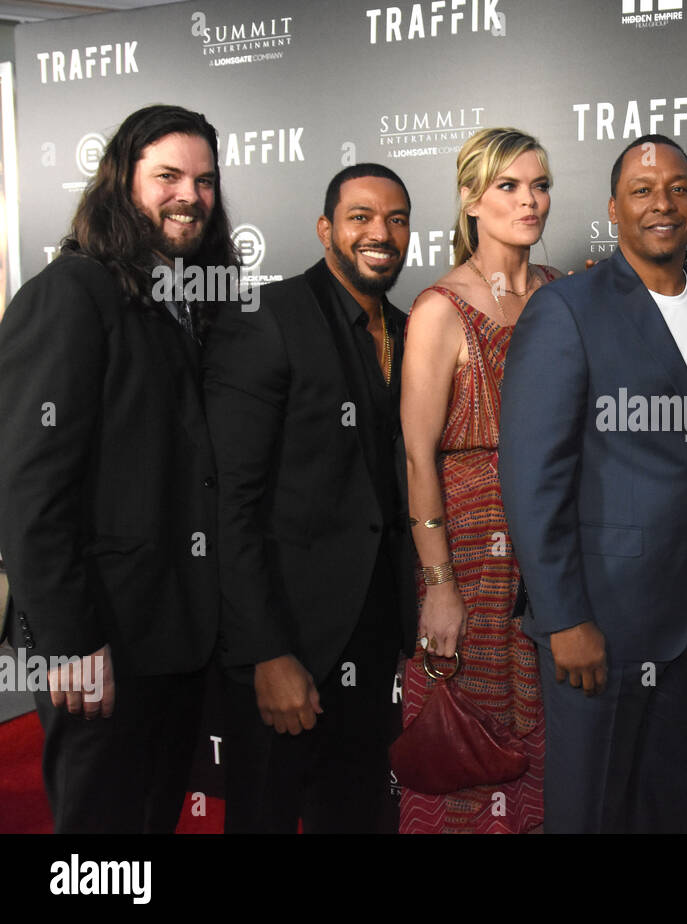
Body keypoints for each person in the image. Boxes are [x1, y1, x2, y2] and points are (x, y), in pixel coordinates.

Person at [498, 134, 687, 833]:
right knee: (589, 813)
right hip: (601, 625)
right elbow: (532, 476)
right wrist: (563, 618)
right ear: (614, 209)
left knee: (666, 811)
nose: (662, 203)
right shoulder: (568, 308)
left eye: (677, 188)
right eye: (642, 191)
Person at [0, 104, 236, 832]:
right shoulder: (71, 291)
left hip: (174, 636)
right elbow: (29, 489)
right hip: (99, 641)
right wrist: (69, 640)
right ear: (122, 181)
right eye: (167, 176)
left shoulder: (185, 298)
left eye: (204, 180)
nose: (189, 195)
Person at [204, 164, 417, 833]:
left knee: (355, 816)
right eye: (360, 217)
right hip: (288, 641)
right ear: (326, 229)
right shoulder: (269, 318)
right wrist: (266, 654)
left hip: (376, 642)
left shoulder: (412, 330)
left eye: (397, 219)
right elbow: (230, 502)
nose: (380, 233)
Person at [399, 127, 560, 833]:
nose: (530, 201)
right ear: (470, 199)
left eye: (540, 185)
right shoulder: (441, 308)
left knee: (551, 740)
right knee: (471, 739)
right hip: (471, 551)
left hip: (551, 545)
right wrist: (440, 586)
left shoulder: (564, 293)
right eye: (508, 186)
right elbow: (418, 456)